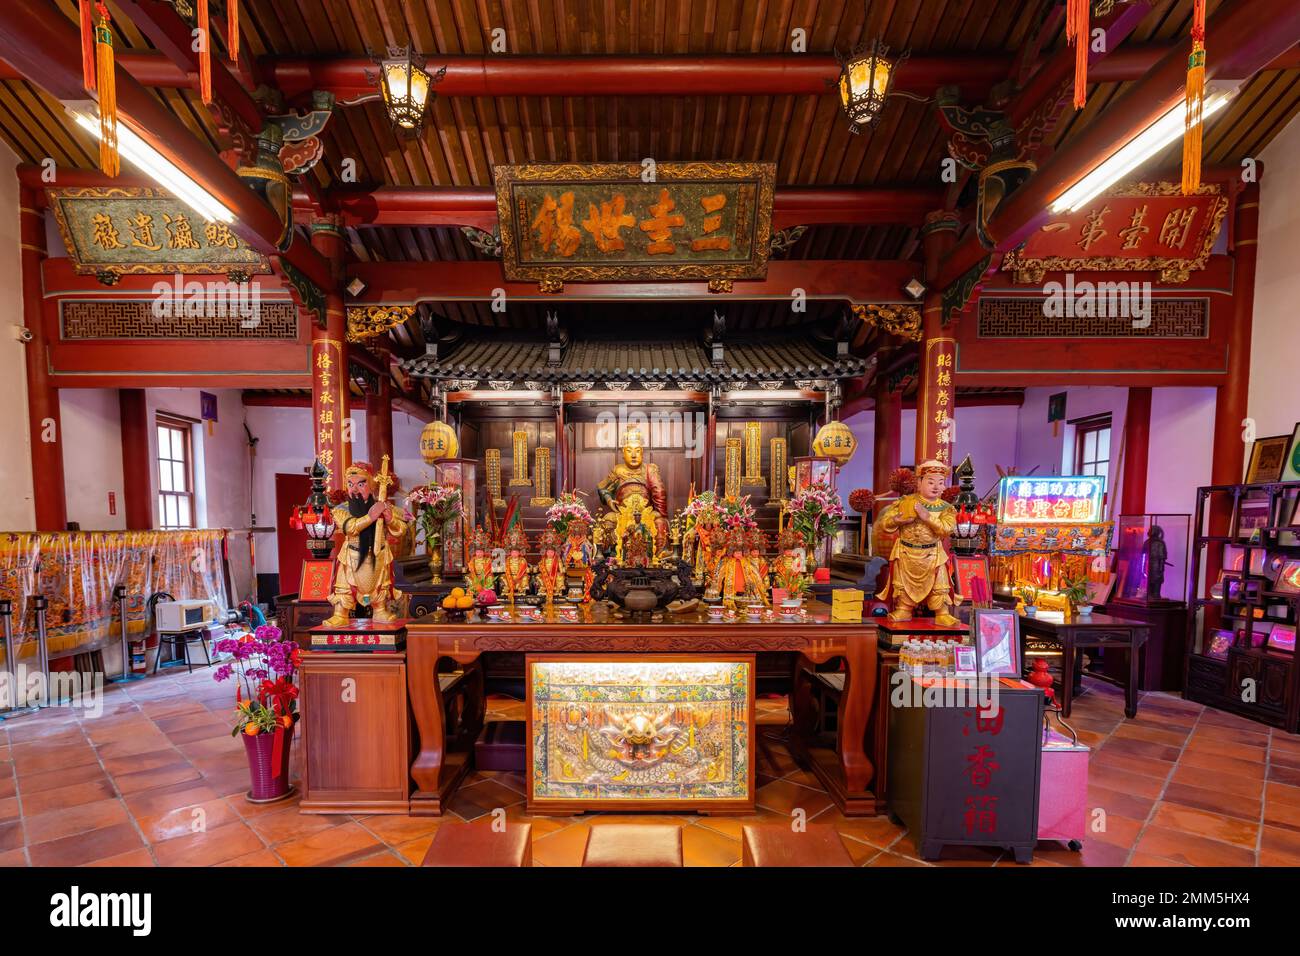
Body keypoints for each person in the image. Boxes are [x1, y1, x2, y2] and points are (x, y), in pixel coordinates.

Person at [323, 460, 411, 626]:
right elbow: (350, 528)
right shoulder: (341, 509)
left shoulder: (384, 506)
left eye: (360, 484)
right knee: (344, 585)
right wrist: (371, 516)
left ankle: (380, 610)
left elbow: (401, 531)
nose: (354, 489)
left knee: (381, 585)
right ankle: (341, 614)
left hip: (379, 554)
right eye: (350, 484)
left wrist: (390, 519)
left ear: (371, 486)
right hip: (352, 554)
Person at [876, 459, 959, 626]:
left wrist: (927, 517)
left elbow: (947, 529)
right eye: (930, 482)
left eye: (940, 483)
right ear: (919, 483)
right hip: (907, 552)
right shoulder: (905, 502)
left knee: (940, 584)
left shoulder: (946, 508)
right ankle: (904, 609)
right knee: (903, 584)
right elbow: (884, 524)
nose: (936, 487)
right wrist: (897, 521)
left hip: (932, 554)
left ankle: (942, 612)